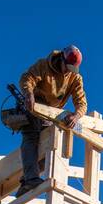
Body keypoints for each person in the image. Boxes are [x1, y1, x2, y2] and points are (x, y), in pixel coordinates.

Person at [13, 45, 87, 196]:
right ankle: (31, 179)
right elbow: (27, 78)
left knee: (50, 148)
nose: (67, 72)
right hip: (34, 105)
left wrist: (76, 115)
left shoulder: (74, 78)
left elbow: (82, 102)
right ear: (61, 59)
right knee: (31, 136)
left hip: (51, 113)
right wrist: (28, 94)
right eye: (67, 67)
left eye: (71, 69)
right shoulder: (44, 65)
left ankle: (26, 180)